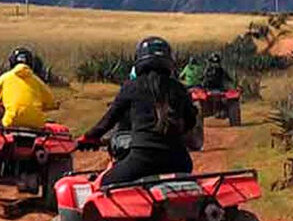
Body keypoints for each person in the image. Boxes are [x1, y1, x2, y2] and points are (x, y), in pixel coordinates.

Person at [81, 37, 197, 185]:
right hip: (180, 162)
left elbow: (108, 121)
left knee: (102, 185)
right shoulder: (179, 88)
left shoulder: (131, 87)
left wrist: (88, 137)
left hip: (142, 162)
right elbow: (191, 121)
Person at [0, 47, 55, 129]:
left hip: (11, 122)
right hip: (36, 124)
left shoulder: (4, 78)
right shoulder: (37, 81)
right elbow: (50, 102)